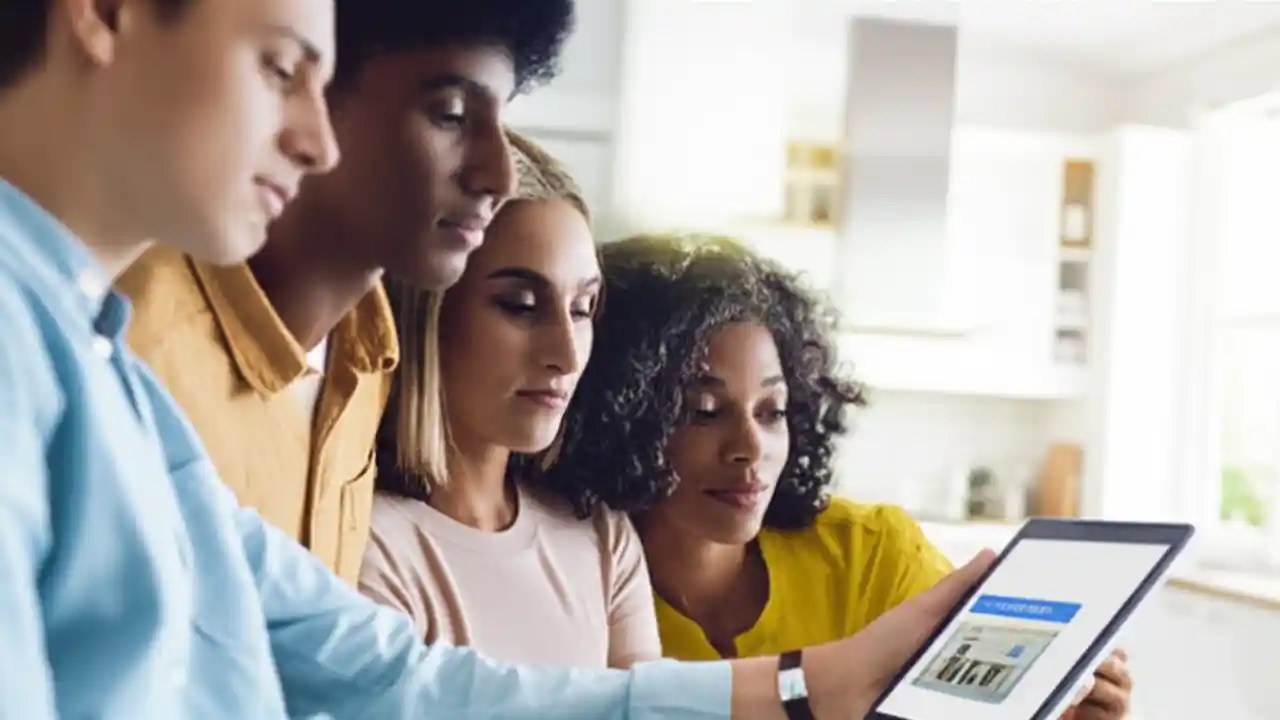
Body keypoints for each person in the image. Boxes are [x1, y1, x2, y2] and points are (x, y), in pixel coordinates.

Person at [0, 0, 998, 716]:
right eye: (278, 66)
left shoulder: (107, 381)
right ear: (105, 13)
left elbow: (400, 680)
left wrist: (822, 683)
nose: (311, 136)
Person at [545, 233, 1134, 720]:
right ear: (622, 415)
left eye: (772, 412)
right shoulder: (574, 580)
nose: (751, 448)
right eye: (703, 412)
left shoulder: (869, 552)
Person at [112, 0, 576, 583]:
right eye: (452, 115)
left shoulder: (369, 361)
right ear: (313, 98)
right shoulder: (134, 341)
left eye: (502, 124)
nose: (498, 177)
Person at [359, 133, 661, 669]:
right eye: (521, 305)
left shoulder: (601, 542)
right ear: (428, 312)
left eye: (582, 307)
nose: (566, 355)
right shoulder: (370, 546)